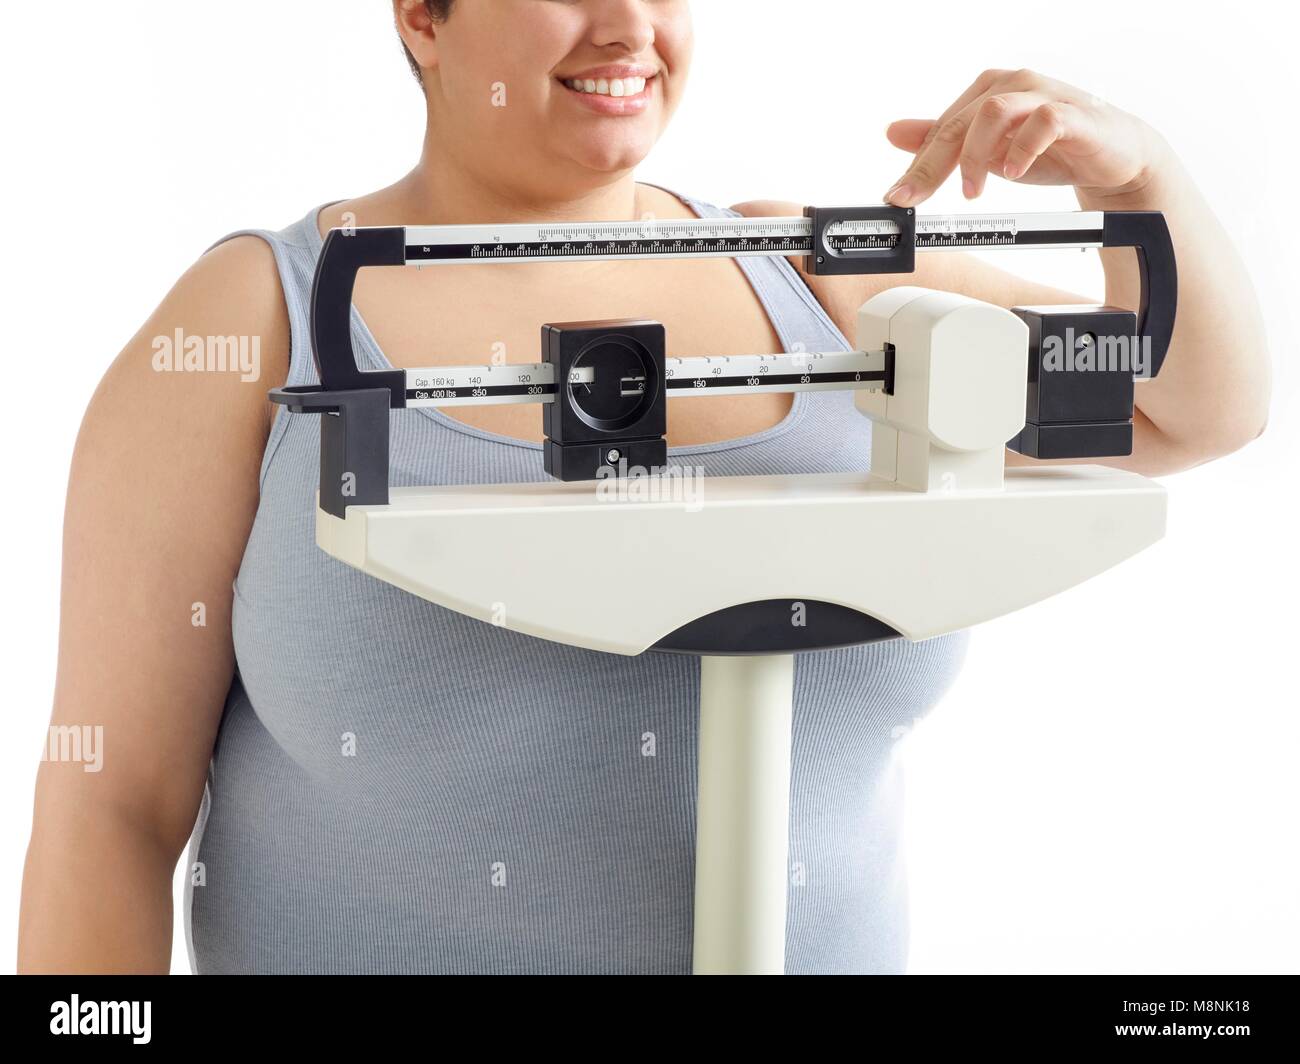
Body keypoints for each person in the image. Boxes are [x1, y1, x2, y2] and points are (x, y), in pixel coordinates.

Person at [18, 0, 1270, 974]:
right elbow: (110, 806)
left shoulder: (819, 277)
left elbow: (1189, 408)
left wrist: (1138, 181)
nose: (628, 28)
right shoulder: (261, 322)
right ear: (423, 16)